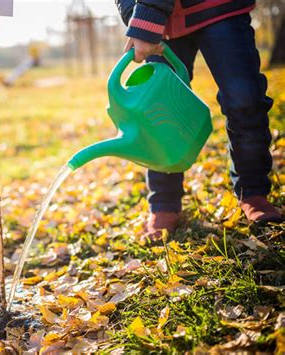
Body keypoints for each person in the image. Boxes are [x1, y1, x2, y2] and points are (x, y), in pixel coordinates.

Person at [114, 0, 282, 238]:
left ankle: (253, 191)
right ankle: (164, 203)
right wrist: (136, 14)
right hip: (165, 24)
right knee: (160, 114)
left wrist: (147, 17)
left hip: (218, 7)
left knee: (245, 98)